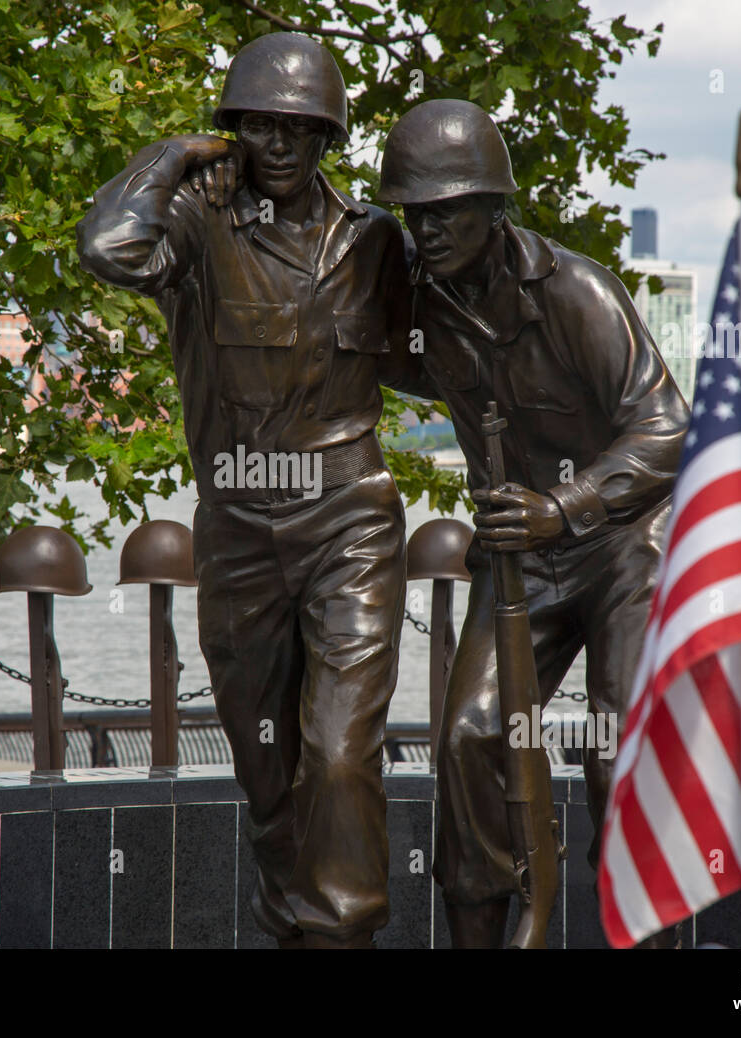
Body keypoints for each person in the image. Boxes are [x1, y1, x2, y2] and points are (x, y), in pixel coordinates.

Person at [77, 32, 414, 948]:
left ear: (327, 135)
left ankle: (343, 935)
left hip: (350, 520)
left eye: (297, 126)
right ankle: (293, 929)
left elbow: (444, 357)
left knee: (340, 755)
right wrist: (174, 157)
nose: (276, 141)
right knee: (267, 777)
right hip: (238, 525)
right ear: (231, 130)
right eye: (255, 124)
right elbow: (108, 246)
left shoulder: (375, 241)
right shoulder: (196, 225)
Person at [376, 99, 690, 948]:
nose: (429, 230)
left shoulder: (578, 291)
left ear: (493, 207)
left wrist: (567, 505)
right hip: (524, 560)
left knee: (619, 752)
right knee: (470, 741)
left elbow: (665, 427)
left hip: (624, 542)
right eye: (415, 214)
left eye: (447, 212)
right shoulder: (414, 303)